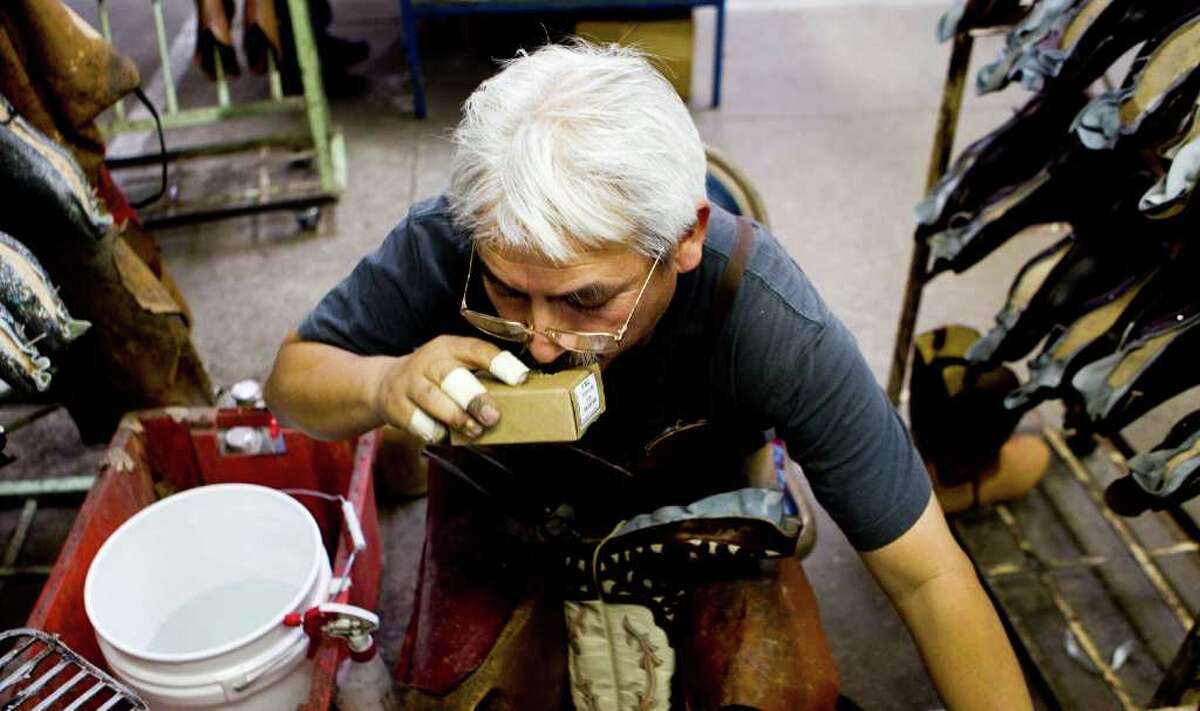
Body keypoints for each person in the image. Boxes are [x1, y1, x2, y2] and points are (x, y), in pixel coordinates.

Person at [265, 40, 1032, 710]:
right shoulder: (448, 240)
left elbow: (930, 579)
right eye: (508, 291)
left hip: (697, 511)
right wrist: (384, 382)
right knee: (456, 695)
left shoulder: (767, 319)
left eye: (585, 299)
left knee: (787, 692)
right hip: (505, 503)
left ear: (687, 238)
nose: (542, 343)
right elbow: (290, 382)